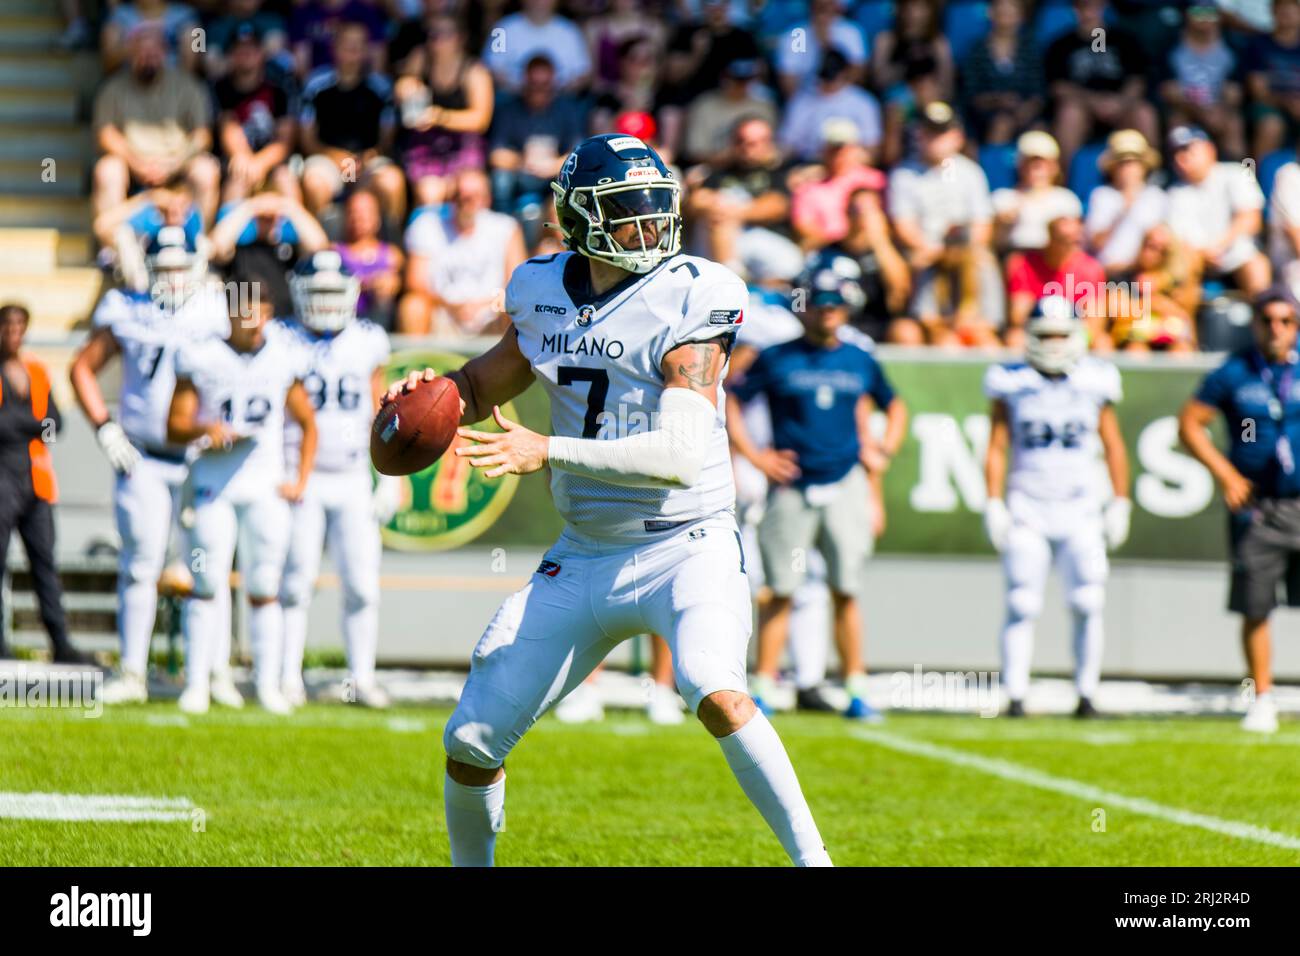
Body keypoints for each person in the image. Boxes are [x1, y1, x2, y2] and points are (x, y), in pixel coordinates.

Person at [386, 133, 832, 867]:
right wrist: (434, 395)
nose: (648, 227)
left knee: (713, 686)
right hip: (588, 552)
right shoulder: (540, 288)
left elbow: (681, 457)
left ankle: (816, 865)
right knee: (469, 740)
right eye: (627, 211)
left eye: (657, 208)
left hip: (685, 543)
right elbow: (482, 383)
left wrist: (546, 449)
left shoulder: (695, 291)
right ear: (577, 219)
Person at [725, 252, 907, 722]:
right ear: (803, 305)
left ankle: (855, 688)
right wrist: (756, 456)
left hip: (844, 481)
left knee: (846, 588)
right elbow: (731, 402)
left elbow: (895, 405)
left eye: (834, 305)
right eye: (819, 304)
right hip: (791, 487)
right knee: (781, 589)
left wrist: (882, 451)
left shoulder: (859, 357)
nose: (826, 312)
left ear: (847, 307)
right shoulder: (777, 356)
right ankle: (762, 686)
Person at [70, 227, 231, 705]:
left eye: (181, 269)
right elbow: (81, 367)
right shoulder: (127, 309)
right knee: (140, 563)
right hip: (142, 455)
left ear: (197, 269)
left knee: (209, 566)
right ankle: (133, 673)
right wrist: (105, 427)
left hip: (202, 459)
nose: (173, 279)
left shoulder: (216, 311)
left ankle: (213, 673)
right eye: (163, 269)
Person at [167, 276, 317, 715]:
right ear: (231, 314)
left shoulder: (284, 355)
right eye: (247, 311)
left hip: (265, 483)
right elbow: (173, 425)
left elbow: (308, 423)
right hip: (215, 481)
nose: (256, 320)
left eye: (262, 311)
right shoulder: (203, 355)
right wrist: (205, 430)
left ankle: (267, 684)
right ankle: (197, 684)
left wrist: (300, 478)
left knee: (265, 585)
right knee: (207, 581)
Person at [983, 295, 1131, 718]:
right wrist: (993, 502)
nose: (1051, 343)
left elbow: (1113, 445)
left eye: (1060, 334)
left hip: (1081, 505)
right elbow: (996, 445)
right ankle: (1015, 694)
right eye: (1043, 334)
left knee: (1087, 600)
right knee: (1021, 601)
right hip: (1028, 504)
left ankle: (1086, 693)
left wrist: (1120, 500)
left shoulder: (1095, 379)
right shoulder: (1009, 380)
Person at [1178, 285, 1300, 734]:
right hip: (1258, 505)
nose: (1277, 329)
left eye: (1286, 321)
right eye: (1268, 320)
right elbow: (1190, 423)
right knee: (1255, 604)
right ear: (1255, 323)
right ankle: (1262, 697)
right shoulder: (1237, 375)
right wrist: (1226, 474)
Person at [279, 252, 396, 709]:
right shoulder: (283, 338)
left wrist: (388, 477)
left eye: (334, 293)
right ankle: (288, 676)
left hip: (350, 477)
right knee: (295, 583)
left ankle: (360, 678)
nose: (326, 304)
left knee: (363, 585)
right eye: (318, 294)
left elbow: (381, 409)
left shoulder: (367, 340)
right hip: (301, 477)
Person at [0, 305, 92, 665]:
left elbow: (55, 426)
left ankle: (61, 643)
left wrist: (24, 424)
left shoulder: (35, 370)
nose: (13, 333)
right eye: (7, 326)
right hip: (3, 478)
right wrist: (32, 423)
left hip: (36, 481)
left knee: (44, 565)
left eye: (19, 326)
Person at [888, 102, 1003, 346]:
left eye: (941, 132)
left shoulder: (970, 172)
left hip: (966, 255)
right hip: (927, 254)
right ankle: (931, 319)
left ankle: (976, 319)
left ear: (956, 137)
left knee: (981, 257)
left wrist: (959, 250)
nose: (934, 139)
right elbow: (904, 227)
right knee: (921, 259)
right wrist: (937, 250)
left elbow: (982, 226)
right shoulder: (904, 174)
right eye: (929, 132)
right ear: (919, 134)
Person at [92, 24, 220, 226]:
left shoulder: (188, 85)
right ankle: (111, 247)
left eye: (153, 50)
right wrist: (138, 164)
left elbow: (203, 135)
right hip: (133, 168)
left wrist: (173, 165)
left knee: (206, 170)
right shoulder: (113, 88)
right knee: (107, 169)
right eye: (141, 50)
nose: (147, 56)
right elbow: (105, 135)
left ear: (165, 52)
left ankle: (200, 244)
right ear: (130, 52)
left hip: (178, 165)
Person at [298, 21, 404, 225]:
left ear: (367, 50)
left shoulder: (381, 88)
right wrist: (339, 158)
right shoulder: (315, 84)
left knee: (391, 182)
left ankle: (391, 249)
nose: (353, 49)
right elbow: (307, 140)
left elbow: (386, 140)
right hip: (326, 159)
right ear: (334, 48)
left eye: (359, 44)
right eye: (347, 43)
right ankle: (321, 252)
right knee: (314, 183)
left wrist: (366, 158)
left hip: (369, 160)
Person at [399, 168, 527, 335]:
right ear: (450, 198)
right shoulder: (427, 225)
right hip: (442, 313)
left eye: (472, 197)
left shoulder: (505, 228)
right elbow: (416, 282)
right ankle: (416, 360)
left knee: (515, 306)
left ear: (487, 199)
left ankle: (514, 361)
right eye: (459, 196)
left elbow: (517, 283)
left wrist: (480, 306)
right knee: (413, 305)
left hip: (492, 314)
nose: (465, 203)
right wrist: (453, 307)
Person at [393, 14, 494, 209]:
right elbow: (403, 85)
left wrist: (439, 117)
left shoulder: (474, 71)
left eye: (444, 34)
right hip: (426, 147)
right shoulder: (421, 58)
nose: (436, 39)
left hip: (463, 147)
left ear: (460, 38)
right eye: (433, 34)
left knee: (465, 191)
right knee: (429, 194)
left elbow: (481, 119)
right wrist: (404, 87)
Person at [1045, 0, 1158, 172]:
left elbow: (1137, 81)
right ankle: (1062, 178)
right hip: (1083, 110)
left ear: (1103, 7)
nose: (1089, 11)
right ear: (1075, 9)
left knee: (1144, 112)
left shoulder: (1124, 40)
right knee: (1070, 114)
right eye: (1083, 6)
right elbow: (1058, 87)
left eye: (1094, 5)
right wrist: (1093, 102)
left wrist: (1120, 102)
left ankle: (1153, 174)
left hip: (1122, 108)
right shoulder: (1061, 44)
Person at [687, 116, 801, 280]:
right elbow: (696, 202)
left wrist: (727, 208)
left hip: (769, 242)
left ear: (769, 142)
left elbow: (776, 207)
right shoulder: (721, 171)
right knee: (718, 218)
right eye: (741, 141)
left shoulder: (779, 170)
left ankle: (730, 283)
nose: (747, 147)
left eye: (754, 142)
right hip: (722, 239)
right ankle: (732, 278)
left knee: (722, 212)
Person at [1166, 124, 1271, 297]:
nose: (1181, 158)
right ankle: (1185, 323)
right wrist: (1202, 254)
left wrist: (1219, 247)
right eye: (1175, 153)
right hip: (1197, 260)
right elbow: (1177, 239)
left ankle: (1263, 319)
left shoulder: (1238, 171)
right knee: (1178, 269)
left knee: (1257, 266)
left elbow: (1252, 219)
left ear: (1209, 149)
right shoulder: (1173, 193)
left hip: (1238, 255)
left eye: (1188, 150)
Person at [1005, 214, 1108, 350]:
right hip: (1038, 332)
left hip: (1072, 334)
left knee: (1102, 343)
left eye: (1076, 240)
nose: (1070, 245)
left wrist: (1070, 340)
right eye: (1064, 239)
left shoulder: (1091, 268)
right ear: (1050, 238)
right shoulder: (1024, 264)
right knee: (1015, 339)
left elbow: (1095, 322)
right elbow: (1018, 317)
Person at [1159, 5, 1245, 159]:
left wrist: (1221, 110)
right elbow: (1169, 91)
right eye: (1197, 12)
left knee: (1234, 124)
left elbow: (1234, 92)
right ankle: (1174, 176)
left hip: (1219, 108)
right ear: (1186, 15)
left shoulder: (1232, 44)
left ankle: (1239, 174)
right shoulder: (1170, 43)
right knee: (1177, 123)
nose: (1204, 17)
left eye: (1210, 12)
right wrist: (1200, 111)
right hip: (1184, 107)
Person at [1084, 129, 1168, 278]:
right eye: (1122, 163)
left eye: (1133, 162)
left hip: (1144, 274)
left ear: (1143, 166)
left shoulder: (1157, 197)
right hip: (1106, 273)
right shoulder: (1101, 196)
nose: (1128, 168)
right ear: (1113, 167)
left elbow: (1162, 243)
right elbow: (1095, 243)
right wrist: (1122, 211)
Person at [961, 0, 1044, 146]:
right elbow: (970, 95)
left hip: (1027, 114)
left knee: (1039, 131)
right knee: (1002, 124)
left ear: (1021, 16)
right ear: (990, 12)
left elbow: (1039, 90)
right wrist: (997, 100)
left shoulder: (1031, 49)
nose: (1006, 13)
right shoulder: (977, 50)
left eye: (1012, 8)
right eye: (1001, 8)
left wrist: (1027, 110)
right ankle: (994, 166)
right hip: (986, 118)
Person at [991, 131, 1083, 254]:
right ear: (1020, 166)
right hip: (1017, 261)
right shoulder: (1003, 197)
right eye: (1030, 163)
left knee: (1073, 270)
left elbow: (1074, 246)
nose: (1035, 169)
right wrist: (1002, 223)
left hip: (1057, 263)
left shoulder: (1067, 199)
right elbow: (991, 241)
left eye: (1041, 165)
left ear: (1054, 167)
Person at [335, 189, 404, 329]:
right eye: (353, 211)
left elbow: (401, 285)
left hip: (381, 318)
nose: (358, 217)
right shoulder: (334, 252)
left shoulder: (393, 255)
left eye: (365, 211)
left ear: (377, 217)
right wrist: (367, 283)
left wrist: (393, 283)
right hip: (344, 321)